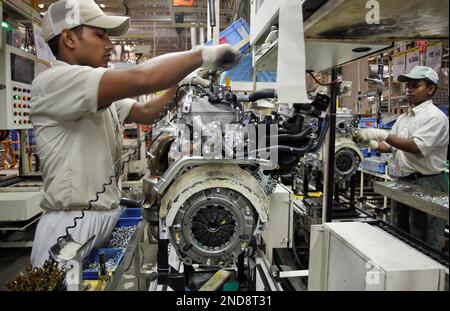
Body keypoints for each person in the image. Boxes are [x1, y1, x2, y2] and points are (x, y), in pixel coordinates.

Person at [30, 0, 239, 267]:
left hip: (99, 218)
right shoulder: (56, 82)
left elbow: (147, 111)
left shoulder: (92, 86)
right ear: (69, 38)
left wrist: (182, 81)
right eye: (100, 34)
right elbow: (142, 78)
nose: (109, 45)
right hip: (70, 228)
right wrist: (200, 55)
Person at [357, 65, 449, 250]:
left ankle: (426, 276)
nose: (409, 89)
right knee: (402, 236)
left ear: (431, 89)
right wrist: (369, 143)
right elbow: (389, 147)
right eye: (408, 85)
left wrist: (381, 134)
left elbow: (415, 147)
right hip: (403, 182)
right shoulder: (405, 118)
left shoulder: (436, 118)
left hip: (426, 184)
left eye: (416, 85)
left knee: (424, 241)